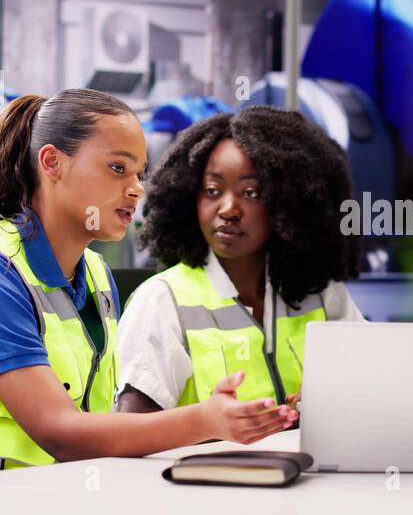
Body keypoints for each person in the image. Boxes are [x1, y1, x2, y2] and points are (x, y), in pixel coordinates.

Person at [0, 90, 297, 492]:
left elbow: (92, 428)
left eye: (139, 173)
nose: (137, 188)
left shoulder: (94, 274)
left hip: (32, 497)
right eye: (117, 168)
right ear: (53, 162)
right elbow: (61, 432)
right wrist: (205, 420)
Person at [115, 106, 364, 421]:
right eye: (212, 191)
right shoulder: (164, 300)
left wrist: (325, 405)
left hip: (308, 469)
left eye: (251, 192)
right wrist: (210, 425)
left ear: (288, 201)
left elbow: (368, 388)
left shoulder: (323, 293)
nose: (229, 209)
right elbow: (130, 430)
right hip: (200, 471)